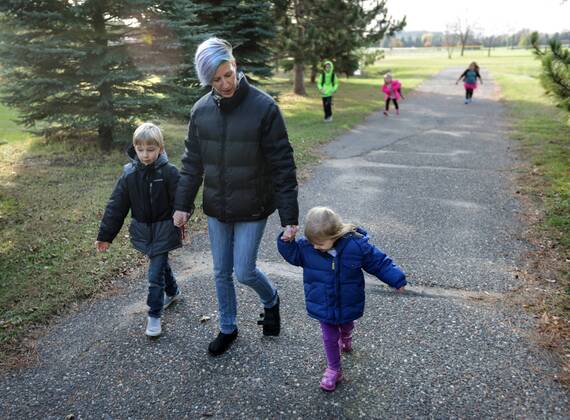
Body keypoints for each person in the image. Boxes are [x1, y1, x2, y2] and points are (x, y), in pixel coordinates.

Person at [173, 37, 299, 356]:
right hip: (217, 206)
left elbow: (282, 165)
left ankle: (271, 300)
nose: (225, 83)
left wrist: (290, 218)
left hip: (253, 206)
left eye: (227, 74)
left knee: (243, 271)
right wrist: (182, 205)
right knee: (220, 271)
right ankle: (227, 327)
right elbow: (192, 164)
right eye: (216, 79)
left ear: (235, 66)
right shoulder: (200, 112)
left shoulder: (264, 107)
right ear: (207, 81)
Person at [277, 206, 406, 392]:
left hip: (347, 300)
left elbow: (379, 263)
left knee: (346, 324)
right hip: (324, 303)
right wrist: (286, 241)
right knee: (329, 336)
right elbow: (292, 255)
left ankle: (346, 335)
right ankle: (334, 369)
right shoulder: (307, 248)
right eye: (313, 242)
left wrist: (396, 278)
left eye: (320, 244)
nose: (315, 247)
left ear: (335, 235)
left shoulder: (356, 246)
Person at [96, 123, 183, 338]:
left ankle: (154, 315)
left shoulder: (170, 172)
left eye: (151, 149)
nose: (145, 155)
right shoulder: (129, 174)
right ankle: (172, 291)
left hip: (165, 229)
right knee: (160, 265)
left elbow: (182, 199)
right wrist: (105, 235)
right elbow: (116, 206)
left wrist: (182, 213)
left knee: (154, 275)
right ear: (134, 148)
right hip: (143, 231)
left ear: (161, 149)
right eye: (140, 149)